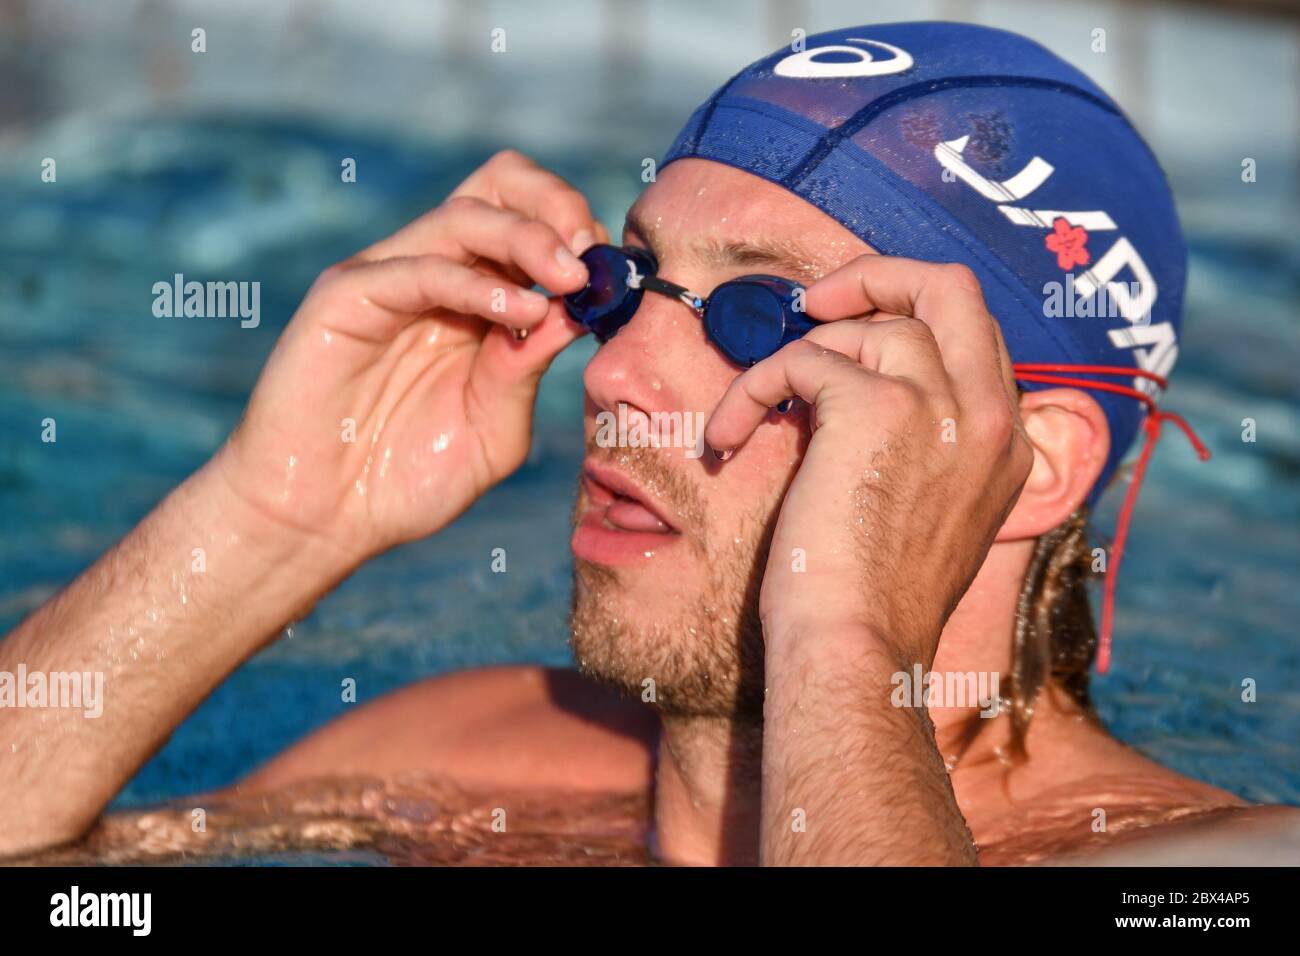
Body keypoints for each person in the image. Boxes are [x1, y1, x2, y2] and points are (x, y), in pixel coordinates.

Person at [2, 22, 1296, 865]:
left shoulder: (1205, 867)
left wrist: (841, 641)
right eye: (630, 281)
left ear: (1039, 463)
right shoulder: (458, 765)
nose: (613, 374)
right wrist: (271, 517)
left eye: (759, 317)